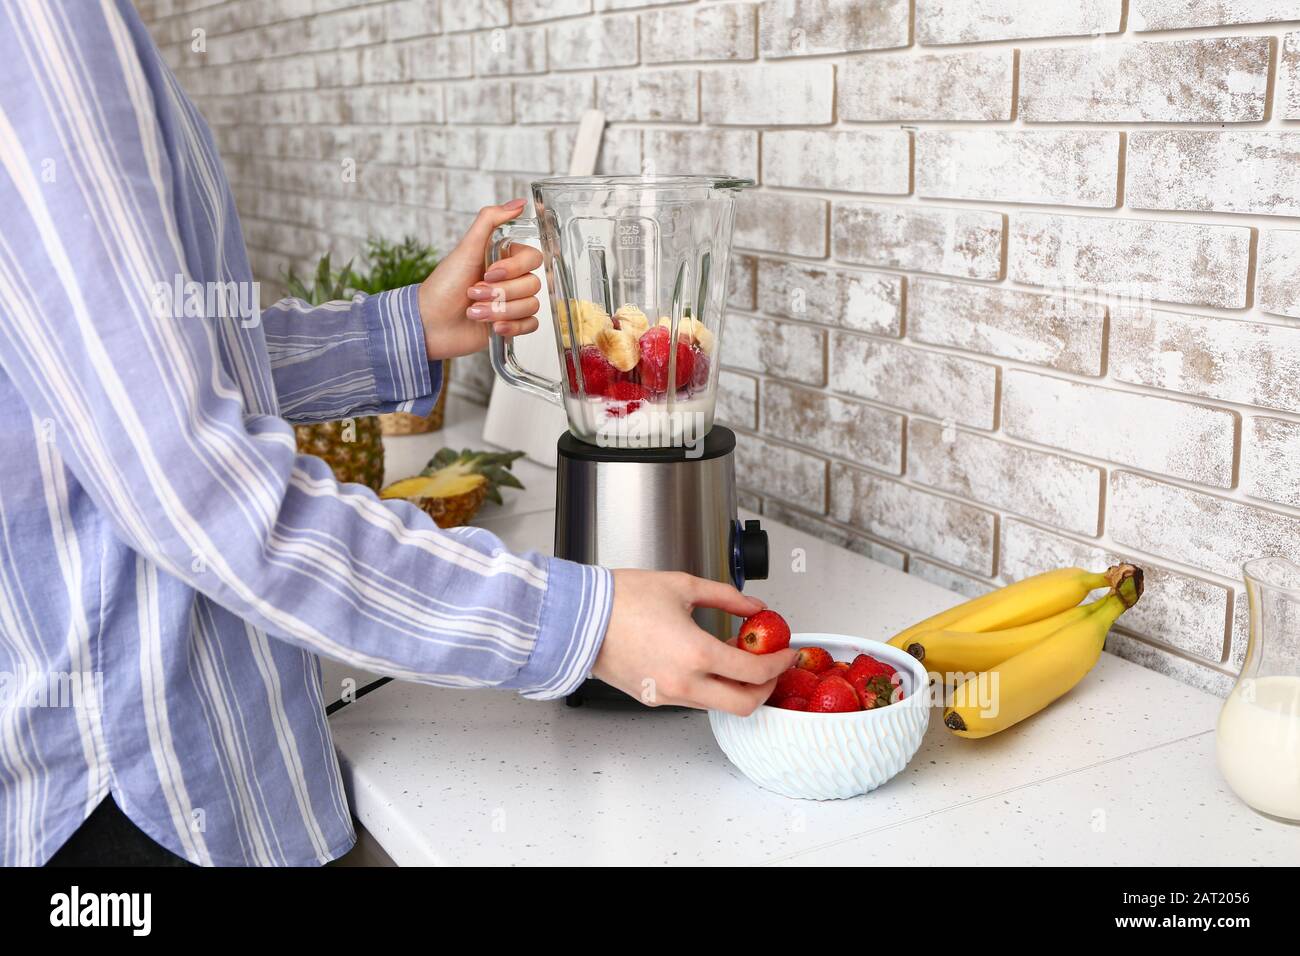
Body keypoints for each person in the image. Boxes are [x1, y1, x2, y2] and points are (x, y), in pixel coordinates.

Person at [0, 0, 793, 866]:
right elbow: (194, 485)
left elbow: (123, 363)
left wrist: (402, 331)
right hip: (146, 795)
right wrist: (584, 624)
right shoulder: (44, 24)